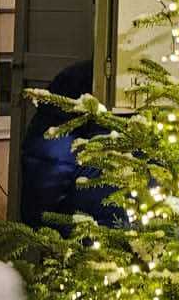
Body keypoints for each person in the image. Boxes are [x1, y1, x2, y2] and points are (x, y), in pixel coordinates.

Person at [20, 59, 123, 228]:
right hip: (91, 224)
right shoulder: (92, 85)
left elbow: (47, 166)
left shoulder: (77, 80)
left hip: (83, 222)